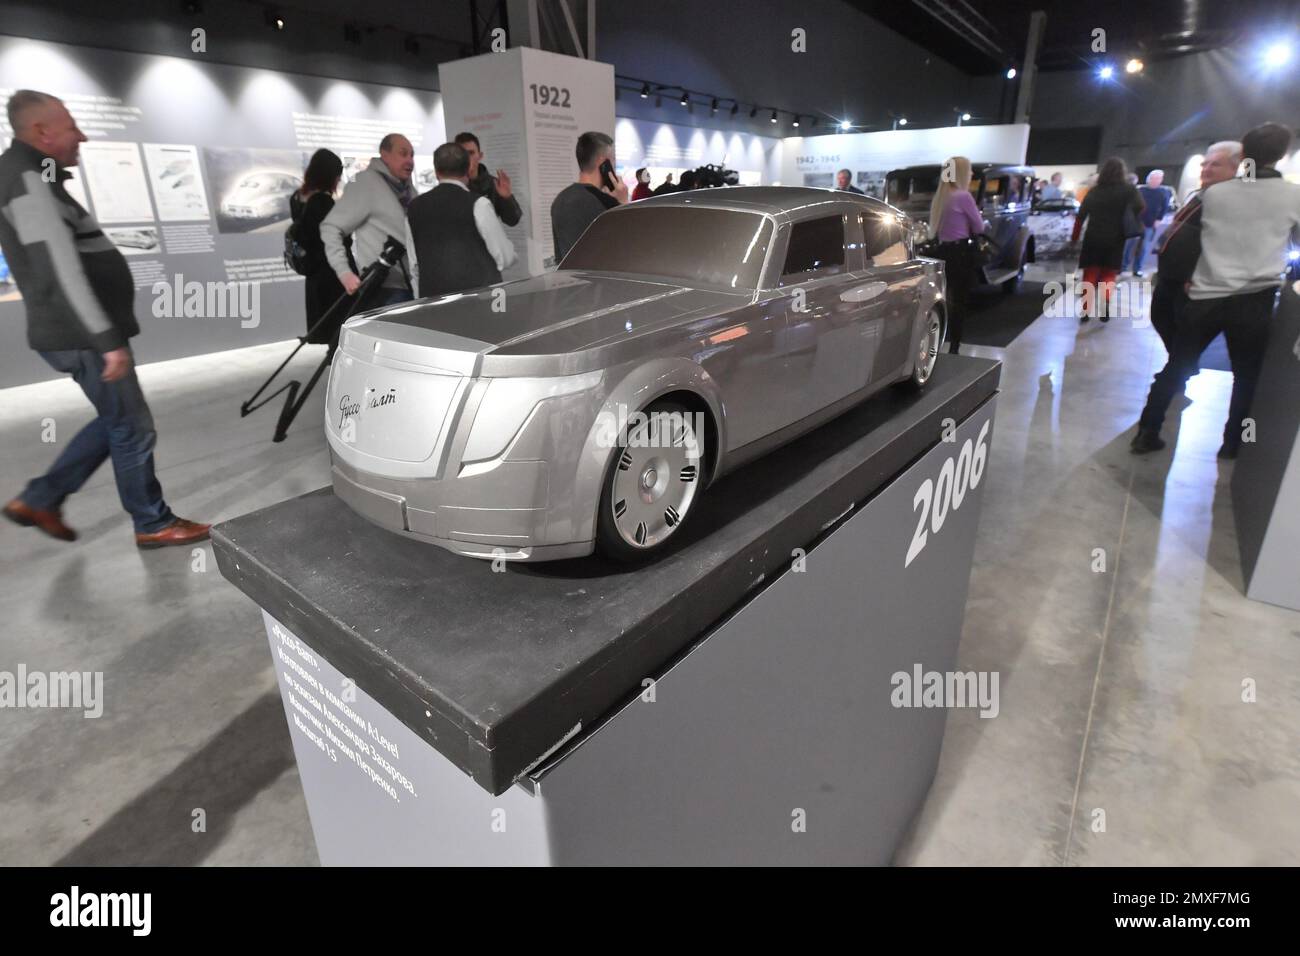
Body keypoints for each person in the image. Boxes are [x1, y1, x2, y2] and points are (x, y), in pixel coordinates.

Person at [0, 90, 209, 548]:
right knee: (132, 426)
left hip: (76, 332)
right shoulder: (26, 181)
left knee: (118, 421)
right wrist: (106, 338)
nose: (83, 136)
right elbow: (60, 266)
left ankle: (40, 498)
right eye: (73, 126)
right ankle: (152, 523)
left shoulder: (33, 175)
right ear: (42, 131)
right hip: (80, 334)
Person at [1132, 123, 1300, 458]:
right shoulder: (1293, 196)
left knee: (1177, 365)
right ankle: (1234, 442)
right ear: (1281, 154)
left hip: (1206, 295)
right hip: (1256, 299)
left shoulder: (1214, 195)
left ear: (1244, 153)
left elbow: (1181, 241)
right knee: (1246, 376)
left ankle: (1147, 431)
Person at [1147, 141, 1242, 354]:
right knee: (1162, 319)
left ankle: (1178, 371)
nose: (1206, 169)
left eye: (1215, 165)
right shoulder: (1202, 195)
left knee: (1183, 332)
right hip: (1172, 276)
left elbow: (1224, 242)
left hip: (1193, 282)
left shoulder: (1230, 200)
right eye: (1205, 164)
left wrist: (1198, 276)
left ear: (1235, 168)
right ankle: (1179, 366)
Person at [404, 142, 516, 298]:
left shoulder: (414, 208)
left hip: (433, 302)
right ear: (467, 170)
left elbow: (414, 266)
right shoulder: (479, 204)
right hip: (481, 302)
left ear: (436, 172)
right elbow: (505, 258)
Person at [320, 133, 415, 308]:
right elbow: (330, 228)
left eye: (412, 154)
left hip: (412, 287)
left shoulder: (406, 188)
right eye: (403, 153)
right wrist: (344, 273)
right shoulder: (366, 183)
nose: (410, 160)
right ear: (385, 155)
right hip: (386, 291)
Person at [290, 149, 352, 355]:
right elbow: (339, 238)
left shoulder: (297, 198)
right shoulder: (323, 202)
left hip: (314, 273)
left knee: (328, 325)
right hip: (332, 273)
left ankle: (333, 354)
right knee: (342, 323)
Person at [1070, 157, 1143, 322]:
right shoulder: (1129, 190)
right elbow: (1141, 207)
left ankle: (1085, 311)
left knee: (1090, 274)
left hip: (1093, 238)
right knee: (1108, 275)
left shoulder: (1095, 191)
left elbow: (1080, 217)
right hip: (1116, 238)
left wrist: (1074, 238)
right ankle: (1104, 307)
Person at [928, 155, 986, 354]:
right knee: (959, 301)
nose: (971, 174)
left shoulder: (940, 197)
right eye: (969, 170)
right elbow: (978, 226)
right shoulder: (963, 196)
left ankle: (938, 340)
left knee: (943, 297)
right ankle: (954, 345)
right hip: (961, 253)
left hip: (943, 252)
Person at [550, 131, 628, 262]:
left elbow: (560, 257)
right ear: (604, 163)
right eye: (613, 160)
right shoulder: (607, 203)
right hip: (602, 280)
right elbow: (628, 244)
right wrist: (624, 203)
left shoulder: (560, 200)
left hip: (571, 280)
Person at [452, 132, 521, 227]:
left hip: (486, 241)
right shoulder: (450, 185)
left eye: (471, 153)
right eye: (461, 153)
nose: (466, 158)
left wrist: (507, 198)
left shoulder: (493, 184)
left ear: (480, 156)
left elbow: (513, 221)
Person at [1122, 169, 1173, 276]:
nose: (1155, 180)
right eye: (1153, 178)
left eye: (1158, 178)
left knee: (1144, 247)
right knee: (1129, 245)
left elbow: (1165, 207)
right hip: (1136, 222)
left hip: (1150, 224)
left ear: (1160, 180)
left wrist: (1159, 219)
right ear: (1148, 179)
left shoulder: (1164, 192)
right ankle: (1123, 266)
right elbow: (1131, 205)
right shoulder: (1140, 190)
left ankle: (1138, 269)